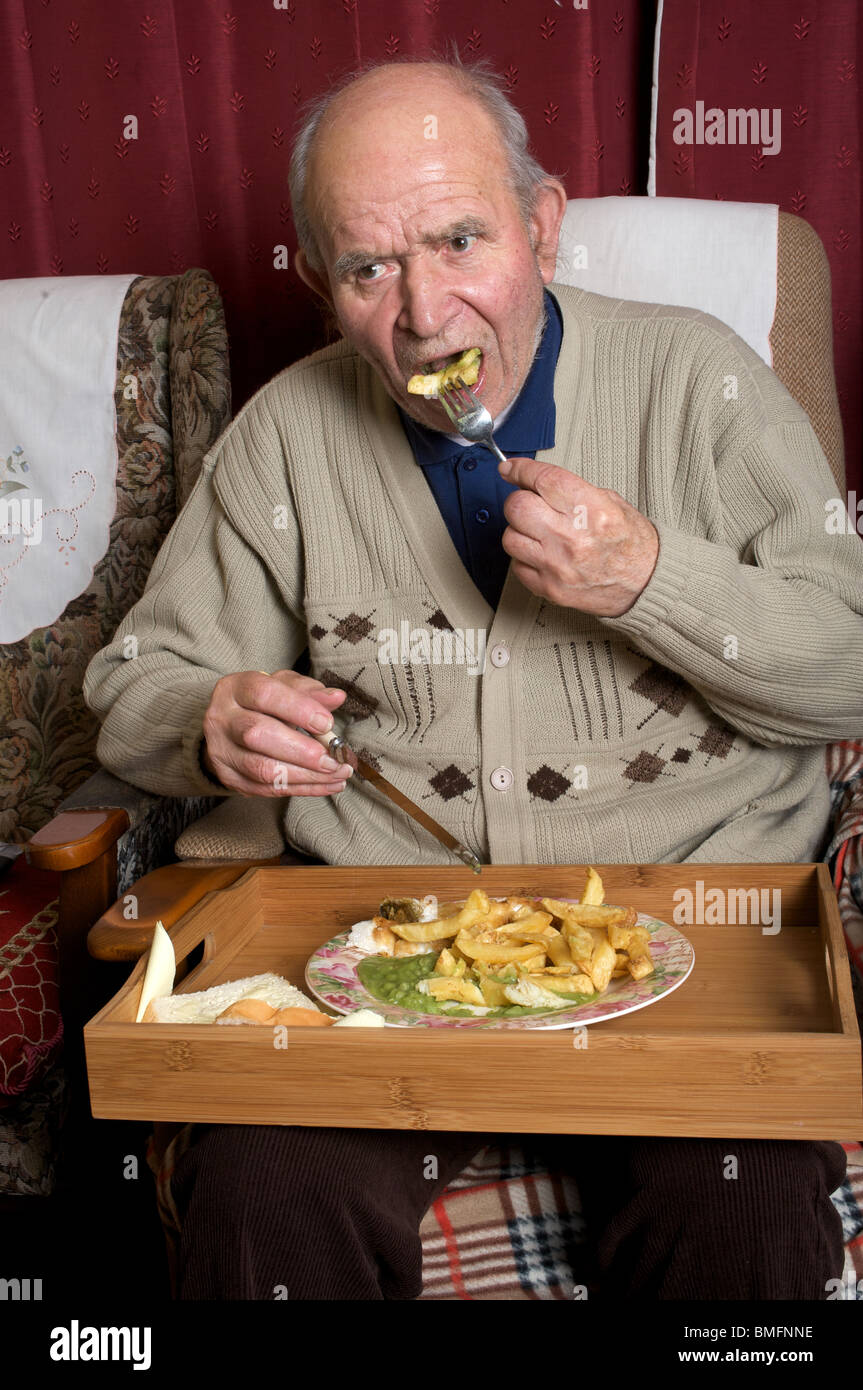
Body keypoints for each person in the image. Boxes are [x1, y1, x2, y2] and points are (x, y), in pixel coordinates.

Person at [83, 57, 862, 1300]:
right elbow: (131, 683)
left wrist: (653, 579)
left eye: (459, 239)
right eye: (368, 267)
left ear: (543, 224)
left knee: (748, 1215)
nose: (426, 314)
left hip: (691, 959)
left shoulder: (697, 382)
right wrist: (207, 718)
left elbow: (851, 669)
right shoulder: (285, 436)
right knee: (263, 1198)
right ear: (317, 282)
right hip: (375, 961)